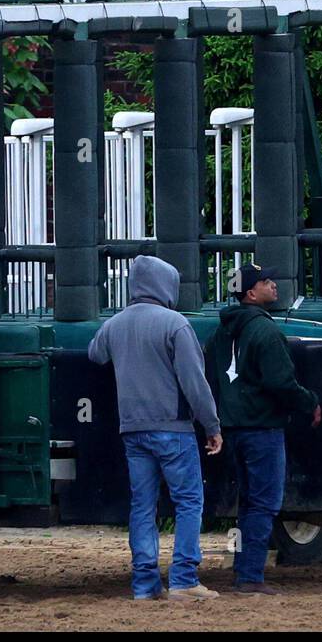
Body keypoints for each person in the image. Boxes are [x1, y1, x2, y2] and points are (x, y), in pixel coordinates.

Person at [87, 255, 222, 602]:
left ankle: (145, 585)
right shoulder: (175, 324)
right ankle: (184, 579)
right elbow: (194, 382)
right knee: (189, 502)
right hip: (174, 428)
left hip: (132, 428)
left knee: (142, 505)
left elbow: (94, 354)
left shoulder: (115, 325)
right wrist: (211, 425)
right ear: (167, 286)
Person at [204, 263, 322, 596]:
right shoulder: (266, 332)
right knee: (264, 503)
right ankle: (250, 576)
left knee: (247, 504)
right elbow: (281, 383)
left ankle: (244, 567)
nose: (274, 284)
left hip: (231, 429)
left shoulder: (221, 332)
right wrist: (310, 402)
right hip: (261, 429)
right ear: (252, 293)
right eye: (266, 281)